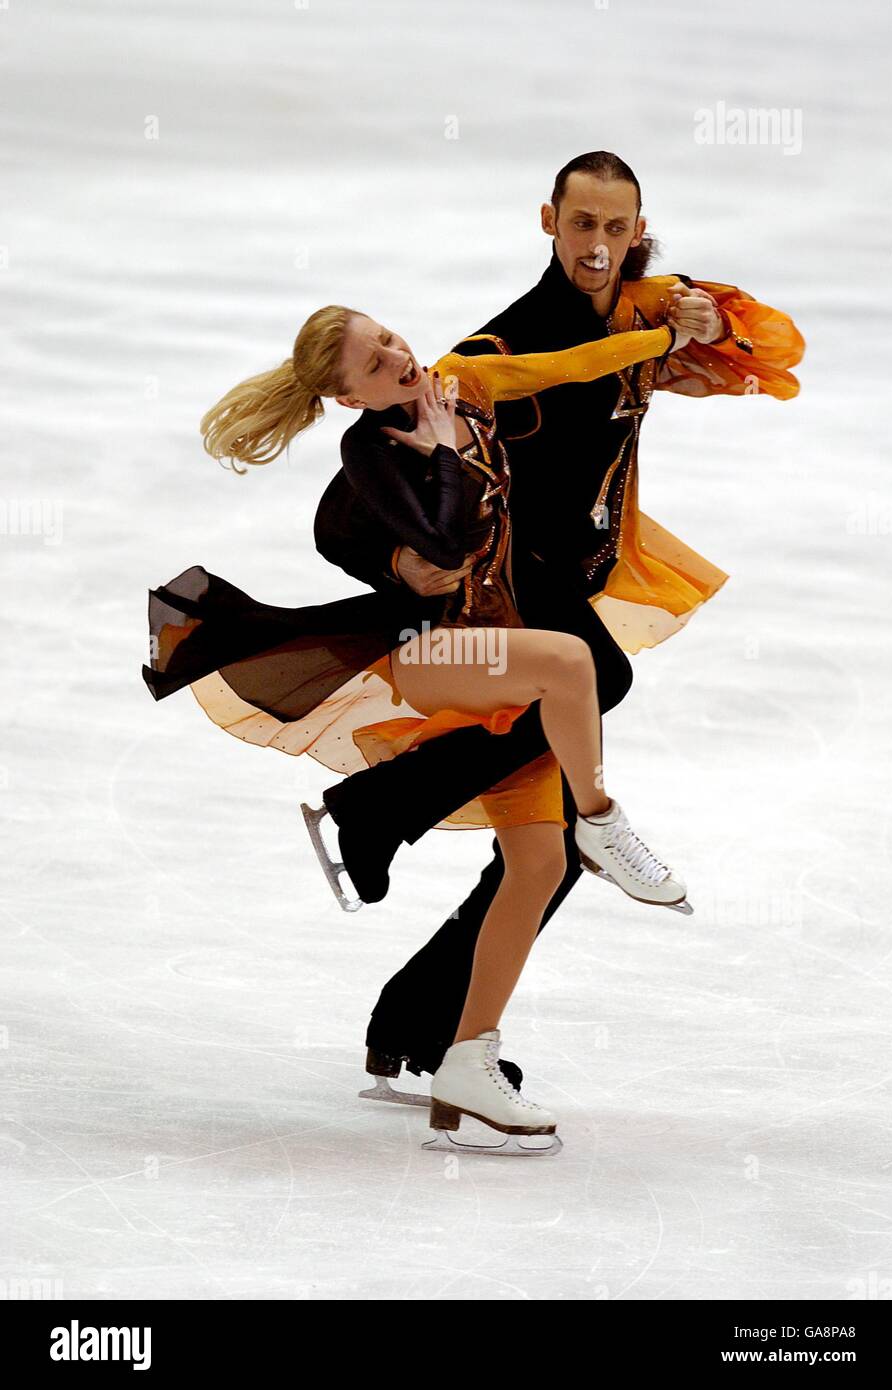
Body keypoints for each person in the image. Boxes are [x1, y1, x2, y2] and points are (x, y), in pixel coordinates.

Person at [311, 151, 806, 1096]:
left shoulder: (637, 307)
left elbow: (769, 361)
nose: (599, 247)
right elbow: (344, 508)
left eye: (618, 229)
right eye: (583, 226)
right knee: (598, 699)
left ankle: (413, 1015)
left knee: (547, 851)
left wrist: (706, 311)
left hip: (559, 586)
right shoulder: (499, 350)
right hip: (508, 603)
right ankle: (389, 840)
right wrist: (390, 564)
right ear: (550, 222)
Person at [142, 306, 687, 1154]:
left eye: (389, 337)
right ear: (348, 394)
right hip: (433, 650)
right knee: (575, 669)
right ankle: (604, 823)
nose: (397, 356)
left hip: (502, 646)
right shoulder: (370, 452)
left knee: (538, 863)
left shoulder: (462, 385)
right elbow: (448, 539)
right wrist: (439, 454)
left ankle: (468, 1064)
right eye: (373, 360)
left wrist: (661, 342)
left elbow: (569, 363)